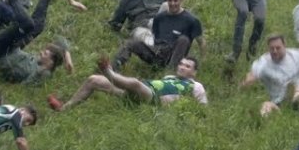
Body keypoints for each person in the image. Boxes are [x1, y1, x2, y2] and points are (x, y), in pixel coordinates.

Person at [49, 56, 208, 111]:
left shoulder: (196, 86)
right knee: (93, 80)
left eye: (187, 66)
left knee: (135, 83)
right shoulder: (169, 77)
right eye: (181, 63)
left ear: (194, 72)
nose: (181, 66)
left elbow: (202, 108)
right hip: (138, 93)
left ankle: (109, 72)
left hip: (154, 100)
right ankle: (63, 108)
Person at [113, 0, 204, 71]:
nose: (172, 4)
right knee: (131, 43)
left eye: (175, 1)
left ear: (181, 0)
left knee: (183, 39)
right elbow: (155, 37)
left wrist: (202, 59)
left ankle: (170, 72)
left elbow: (201, 42)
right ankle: (115, 66)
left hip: (176, 54)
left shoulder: (191, 20)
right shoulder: (159, 18)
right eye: (170, 1)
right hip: (158, 52)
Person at [241, 34, 299, 116]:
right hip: (278, 102)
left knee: (297, 87)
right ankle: (266, 122)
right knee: (265, 106)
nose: (275, 51)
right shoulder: (263, 62)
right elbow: (251, 76)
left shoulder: (296, 55)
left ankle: (297, 107)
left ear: (284, 46)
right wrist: (247, 82)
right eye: (272, 49)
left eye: (278, 48)